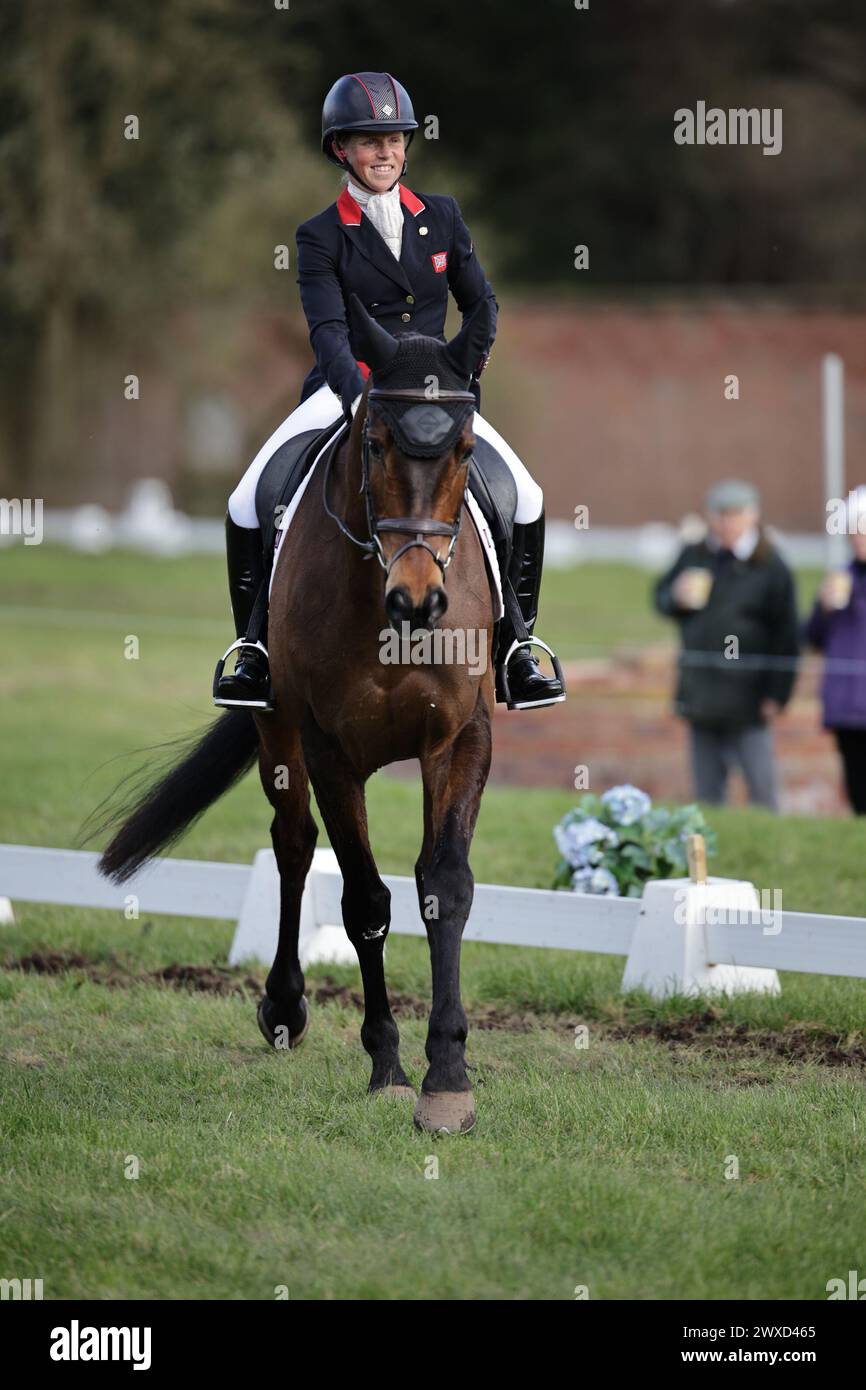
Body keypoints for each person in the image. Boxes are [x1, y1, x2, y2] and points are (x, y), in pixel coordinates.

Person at [215, 71, 564, 712]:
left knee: (528, 497)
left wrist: (465, 377)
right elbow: (326, 331)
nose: (385, 153)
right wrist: (360, 397)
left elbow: (480, 303)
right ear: (341, 149)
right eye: (369, 141)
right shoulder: (320, 235)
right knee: (246, 500)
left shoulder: (444, 217)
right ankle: (255, 650)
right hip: (350, 389)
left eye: (395, 139)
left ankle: (518, 647)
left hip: (437, 395)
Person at [653, 479, 800, 811]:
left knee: (761, 790)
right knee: (707, 795)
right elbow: (661, 599)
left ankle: (764, 852)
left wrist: (778, 693)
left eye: (735, 514)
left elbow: (787, 634)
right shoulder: (695, 554)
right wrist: (675, 597)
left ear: (752, 516)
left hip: (748, 696)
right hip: (701, 691)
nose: (726, 523)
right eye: (720, 515)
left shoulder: (771, 566)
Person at [803, 485, 866, 815]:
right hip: (848, 707)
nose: (858, 540)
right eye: (854, 533)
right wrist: (824, 608)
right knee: (858, 794)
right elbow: (812, 637)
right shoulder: (840, 577)